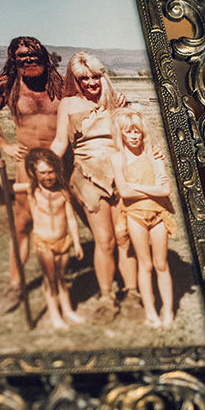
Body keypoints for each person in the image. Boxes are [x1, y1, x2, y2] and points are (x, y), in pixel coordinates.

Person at [50, 51, 135, 322]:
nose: (90, 83)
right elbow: (60, 142)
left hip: (119, 172)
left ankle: (133, 294)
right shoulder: (68, 104)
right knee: (105, 240)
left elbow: (132, 134)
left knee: (123, 236)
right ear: (75, 80)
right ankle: (107, 296)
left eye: (94, 77)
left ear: (101, 76)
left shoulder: (115, 99)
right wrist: (42, 163)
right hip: (87, 176)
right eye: (83, 78)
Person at [0, 36, 64, 312]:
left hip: (62, 162)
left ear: (43, 55)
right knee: (22, 225)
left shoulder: (60, 83)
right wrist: (4, 144)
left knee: (80, 216)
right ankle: (15, 285)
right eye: (22, 56)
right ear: (13, 60)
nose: (28, 59)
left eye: (33, 54)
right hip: (27, 164)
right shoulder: (7, 85)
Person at [111, 107, 177, 327]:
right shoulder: (117, 158)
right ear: (121, 133)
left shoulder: (154, 155)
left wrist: (136, 186)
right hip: (135, 215)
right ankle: (150, 312)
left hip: (158, 214)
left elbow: (165, 191)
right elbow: (124, 193)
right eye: (128, 131)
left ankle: (168, 311)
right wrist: (151, 189)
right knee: (145, 264)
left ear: (142, 132)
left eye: (137, 131)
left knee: (161, 263)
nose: (133, 136)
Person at [13, 147, 84, 329]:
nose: (47, 177)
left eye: (50, 172)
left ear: (56, 170)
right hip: (43, 242)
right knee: (50, 279)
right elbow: (8, 186)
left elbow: (71, 219)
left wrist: (76, 242)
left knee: (61, 277)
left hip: (63, 241)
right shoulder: (31, 189)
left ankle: (67, 310)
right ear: (34, 173)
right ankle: (54, 314)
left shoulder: (63, 192)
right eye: (42, 173)